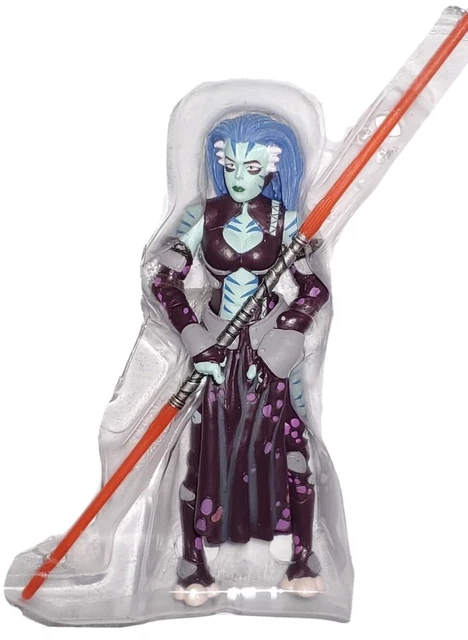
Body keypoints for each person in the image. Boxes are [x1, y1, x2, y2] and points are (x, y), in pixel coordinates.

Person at [151, 113, 329, 606]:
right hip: (216, 351)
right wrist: (193, 338)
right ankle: (193, 561)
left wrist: (286, 337)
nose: (238, 177)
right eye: (230, 165)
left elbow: (314, 289)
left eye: (251, 167)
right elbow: (163, 281)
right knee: (204, 451)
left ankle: (301, 555)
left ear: (270, 167)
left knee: (290, 446)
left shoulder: (285, 221)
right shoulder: (202, 217)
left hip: (270, 351)